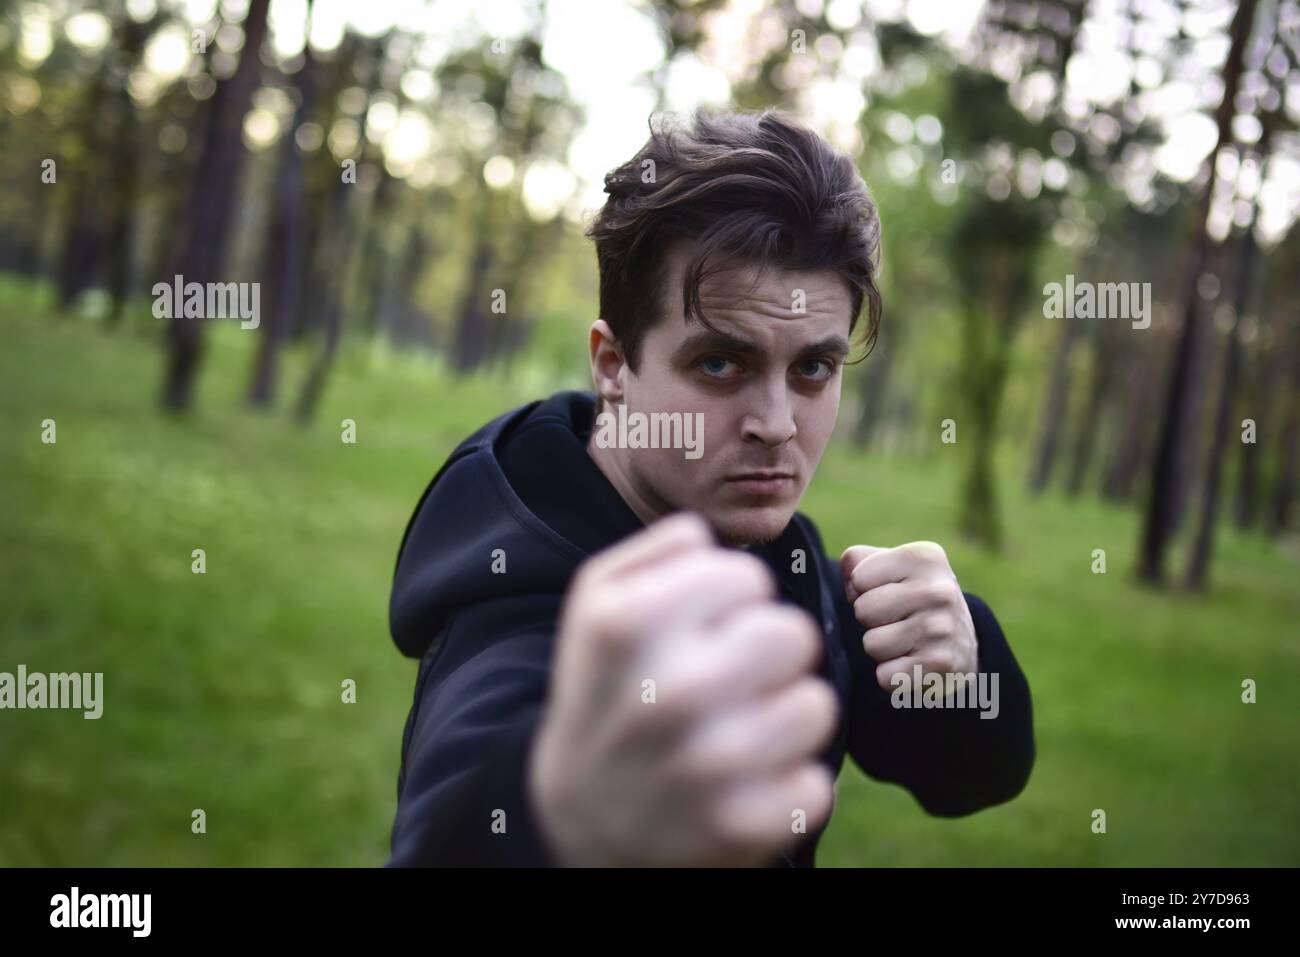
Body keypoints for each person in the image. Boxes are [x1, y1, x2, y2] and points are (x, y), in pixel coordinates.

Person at [387, 109, 1034, 867]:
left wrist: (961, 659)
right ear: (611, 365)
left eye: (812, 370)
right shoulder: (521, 607)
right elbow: (473, 789)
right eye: (721, 364)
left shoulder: (786, 562)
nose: (776, 424)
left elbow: (969, 779)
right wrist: (561, 820)